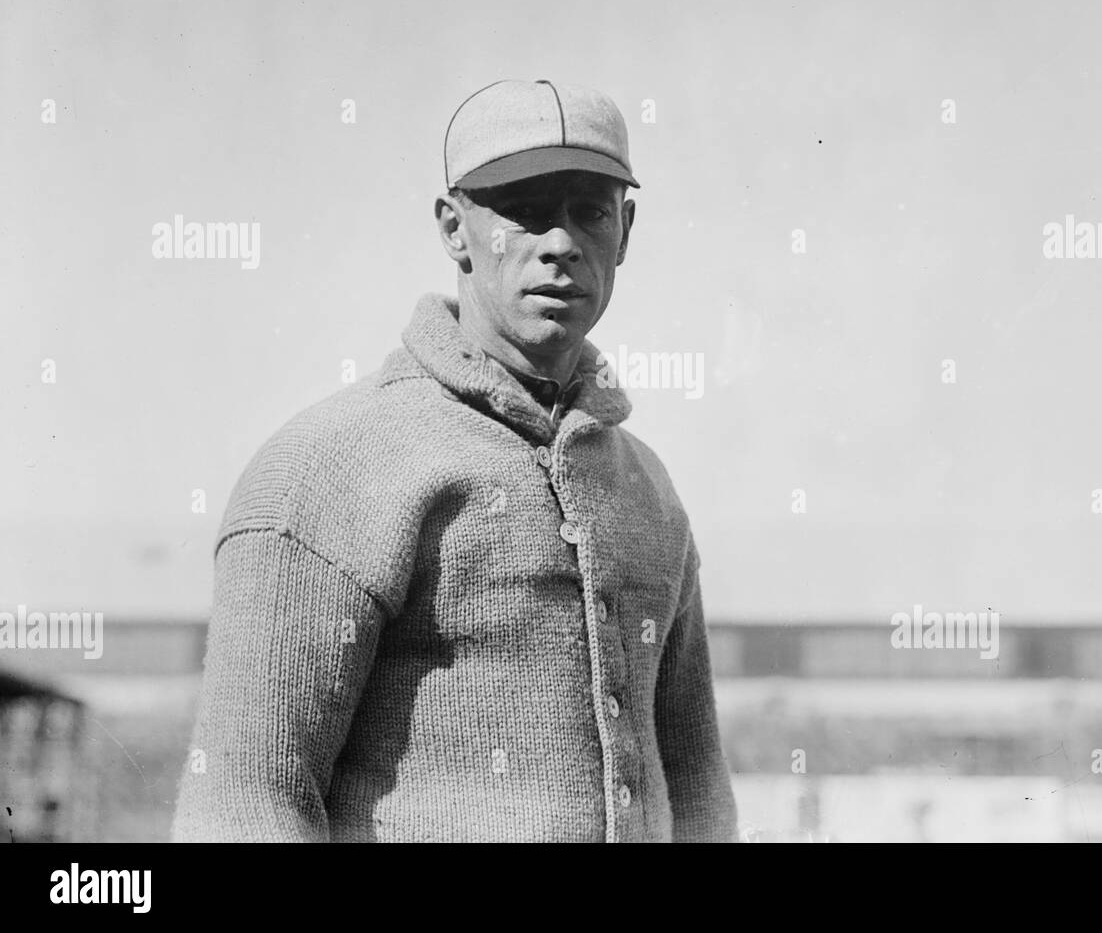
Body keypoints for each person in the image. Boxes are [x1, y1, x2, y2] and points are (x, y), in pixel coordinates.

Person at [170, 78, 739, 842]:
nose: (562, 243)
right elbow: (243, 803)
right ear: (453, 227)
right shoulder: (329, 467)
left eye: (589, 211)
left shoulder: (647, 489)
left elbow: (698, 787)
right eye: (527, 211)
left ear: (625, 231)